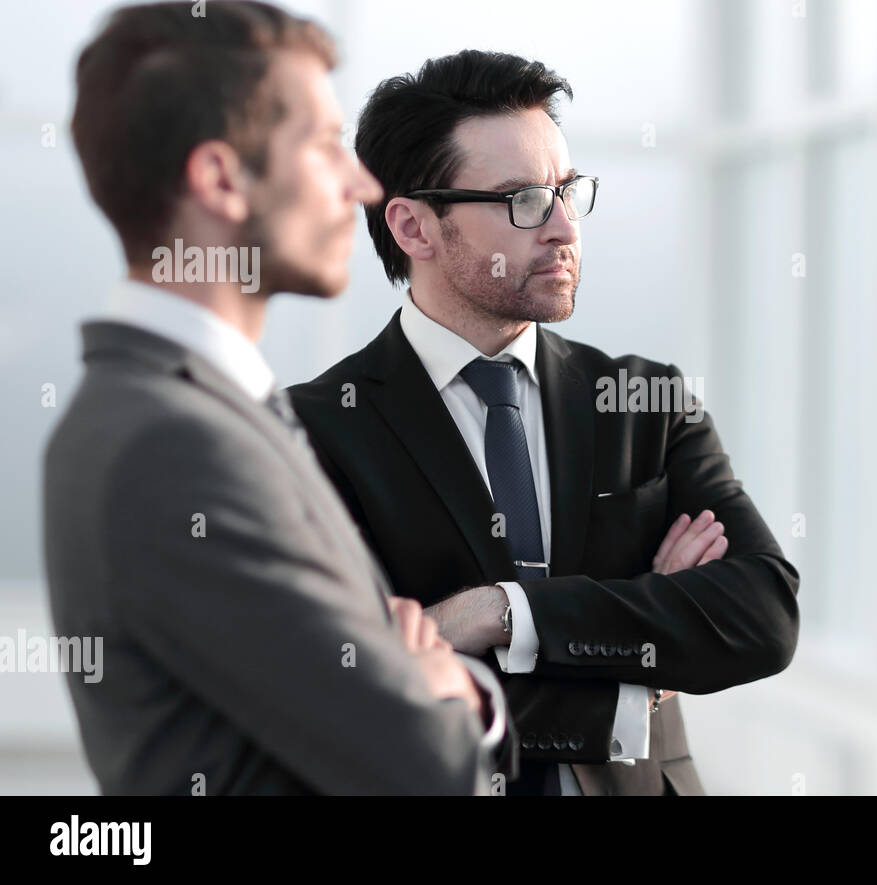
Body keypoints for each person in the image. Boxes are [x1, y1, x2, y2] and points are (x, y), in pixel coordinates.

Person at [288, 50, 799, 795]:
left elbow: (762, 615)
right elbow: (349, 684)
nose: (563, 227)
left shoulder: (645, 401)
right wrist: (638, 657)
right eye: (523, 198)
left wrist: (499, 613)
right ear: (414, 226)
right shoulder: (318, 429)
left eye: (566, 190)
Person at [43, 1, 510, 795]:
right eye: (328, 146)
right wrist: (460, 688)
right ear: (221, 178)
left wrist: (416, 676)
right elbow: (422, 765)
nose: (362, 184)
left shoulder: (182, 408)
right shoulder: (177, 443)